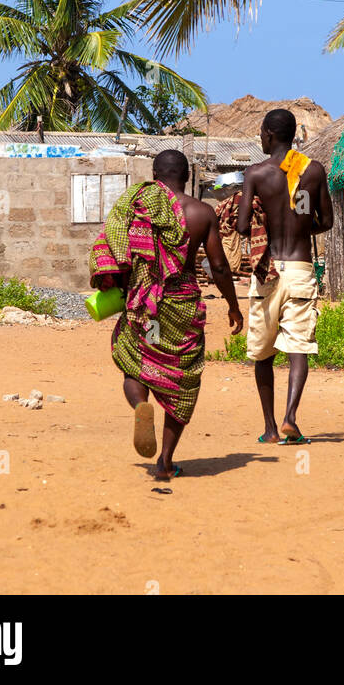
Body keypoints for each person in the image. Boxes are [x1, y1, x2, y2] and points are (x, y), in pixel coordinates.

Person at [89, 149, 243, 479]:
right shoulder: (202, 212)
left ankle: (140, 406)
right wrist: (233, 305)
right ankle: (166, 461)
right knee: (183, 380)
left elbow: (115, 243)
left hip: (145, 304)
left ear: (155, 174)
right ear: (186, 176)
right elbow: (218, 265)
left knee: (138, 363)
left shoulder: (138, 205)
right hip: (181, 304)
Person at [236, 108, 334, 444]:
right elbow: (326, 221)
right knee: (298, 348)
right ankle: (292, 416)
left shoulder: (256, 174)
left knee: (263, 353)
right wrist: (301, 226)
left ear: (268, 134)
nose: (260, 138)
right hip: (301, 269)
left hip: (269, 272)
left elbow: (242, 226)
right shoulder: (314, 171)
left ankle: (270, 429)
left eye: (262, 133)